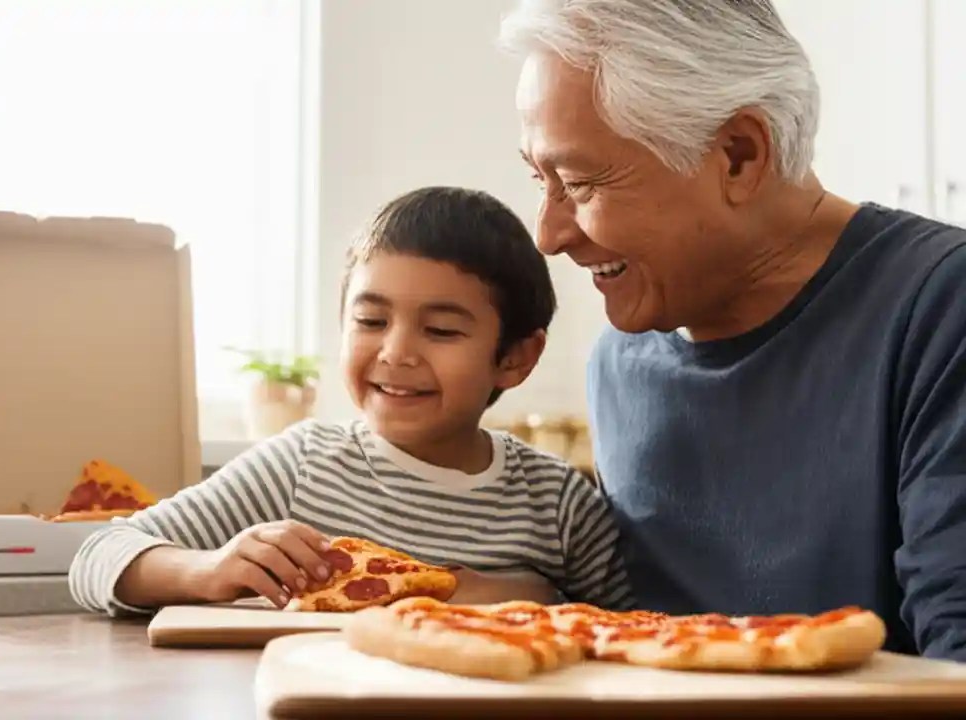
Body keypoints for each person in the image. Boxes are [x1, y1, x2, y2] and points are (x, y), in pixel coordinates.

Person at [499, 0, 966, 660]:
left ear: (738, 156)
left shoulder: (942, 309)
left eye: (578, 182)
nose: (547, 235)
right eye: (537, 177)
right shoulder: (619, 363)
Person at [69, 186, 633, 615]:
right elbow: (98, 556)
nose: (395, 352)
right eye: (370, 320)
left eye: (440, 330)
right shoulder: (304, 464)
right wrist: (207, 569)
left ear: (514, 357)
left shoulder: (558, 504)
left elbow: (637, 627)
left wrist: (536, 599)